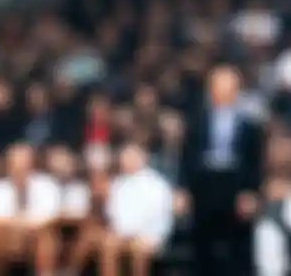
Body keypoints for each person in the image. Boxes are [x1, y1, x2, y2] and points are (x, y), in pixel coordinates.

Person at [179, 64, 265, 275]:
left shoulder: (250, 125)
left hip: (236, 185)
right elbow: (186, 157)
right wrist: (182, 189)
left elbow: (255, 162)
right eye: (218, 87)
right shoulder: (197, 121)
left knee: (239, 249)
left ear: (237, 91)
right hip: (204, 185)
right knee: (202, 248)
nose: (223, 93)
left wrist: (251, 192)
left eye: (229, 88)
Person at [0, 143, 61, 276]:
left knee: (46, 236)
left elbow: (50, 216)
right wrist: (19, 224)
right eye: (16, 165)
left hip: (35, 236)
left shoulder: (47, 185)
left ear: (32, 165)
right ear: (8, 167)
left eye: (25, 165)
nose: (20, 170)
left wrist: (21, 224)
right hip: (5, 237)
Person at [101, 143, 174, 276]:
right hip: (123, 233)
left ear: (142, 158)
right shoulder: (118, 183)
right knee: (108, 244)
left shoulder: (156, 184)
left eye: (131, 158)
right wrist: (121, 231)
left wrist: (138, 234)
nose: (127, 162)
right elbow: (112, 212)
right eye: (124, 158)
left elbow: (159, 215)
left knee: (139, 249)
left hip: (150, 234)